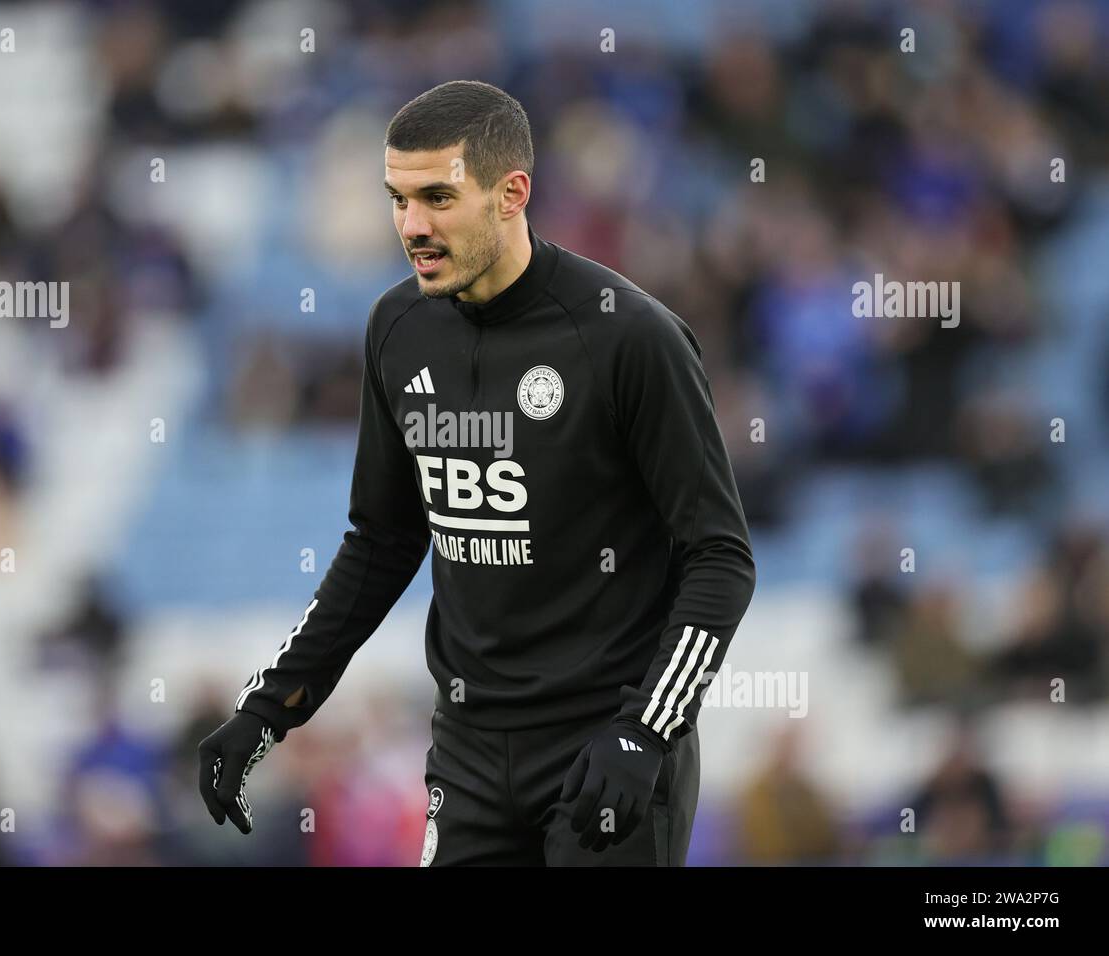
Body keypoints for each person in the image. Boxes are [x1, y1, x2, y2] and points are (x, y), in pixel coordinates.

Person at [199, 80, 755, 866]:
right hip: (466, 751)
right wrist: (267, 709)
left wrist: (645, 730)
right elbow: (382, 542)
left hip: (604, 746)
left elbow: (720, 558)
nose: (411, 227)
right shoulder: (397, 327)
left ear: (511, 193)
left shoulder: (630, 338)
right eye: (397, 199)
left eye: (436, 197)